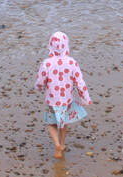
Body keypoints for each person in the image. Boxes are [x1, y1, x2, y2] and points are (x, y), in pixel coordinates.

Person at [35, 31, 91, 159]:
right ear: (67, 45)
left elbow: (40, 80)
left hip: (52, 99)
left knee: (51, 123)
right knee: (64, 122)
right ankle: (62, 143)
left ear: (51, 46)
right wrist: (85, 98)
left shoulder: (47, 63)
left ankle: (57, 144)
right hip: (66, 99)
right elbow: (79, 82)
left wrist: (38, 87)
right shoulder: (72, 62)